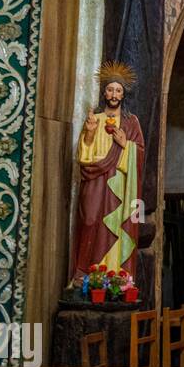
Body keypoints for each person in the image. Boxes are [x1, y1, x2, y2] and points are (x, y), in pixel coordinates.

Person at [71, 61, 144, 280]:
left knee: (116, 224)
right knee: (91, 220)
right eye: (110, 89)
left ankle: (115, 275)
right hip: (95, 181)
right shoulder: (95, 119)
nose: (114, 94)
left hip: (118, 183)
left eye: (118, 90)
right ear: (104, 92)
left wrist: (125, 145)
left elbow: (140, 153)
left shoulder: (131, 122)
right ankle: (84, 274)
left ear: (123, 95)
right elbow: (84, 157)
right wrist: (90, 134)